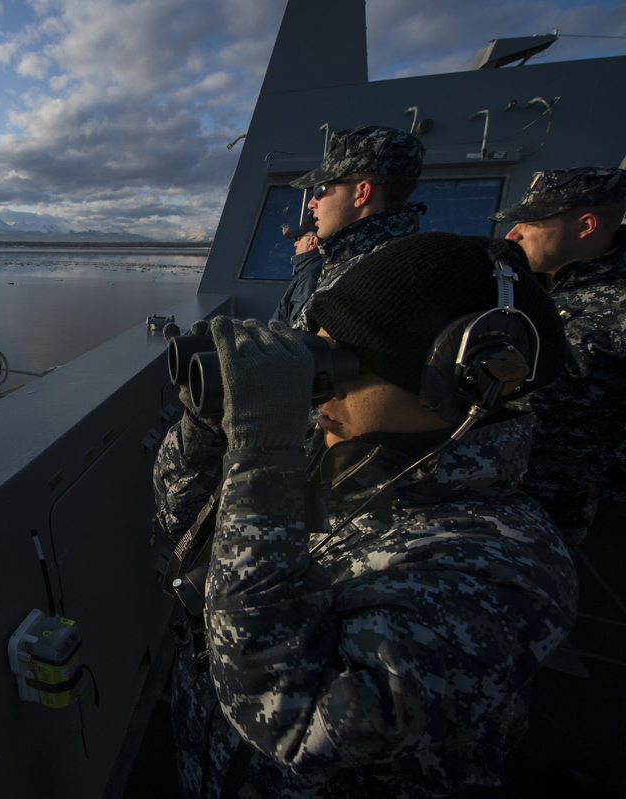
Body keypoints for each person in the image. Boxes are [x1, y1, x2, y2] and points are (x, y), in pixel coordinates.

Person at [154, 232, 574, 798]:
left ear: (463, 382)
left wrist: (260, 451)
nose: (317, 388)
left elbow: (294, 719)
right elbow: (180, 521)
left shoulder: (504, 566)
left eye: (340, 361)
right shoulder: (327, 453)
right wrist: (214, 423)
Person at [491, 166, 626, 544]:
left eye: (530, 223)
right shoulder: (525, 286)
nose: (512, 234)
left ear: (586, 225)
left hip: (553, 506)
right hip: (487, 483)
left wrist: (603, 481)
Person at [287, 125, 426, 331]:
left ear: (361, 193)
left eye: (321, 189)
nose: (312, 203)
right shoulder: (395, 259)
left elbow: (311, 360)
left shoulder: (370, 281)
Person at [270, 216, 321, 325]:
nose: (295, 244)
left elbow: (298, 330)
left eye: (297, 239)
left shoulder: (311, 277)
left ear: (313, 241)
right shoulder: (311, 270)